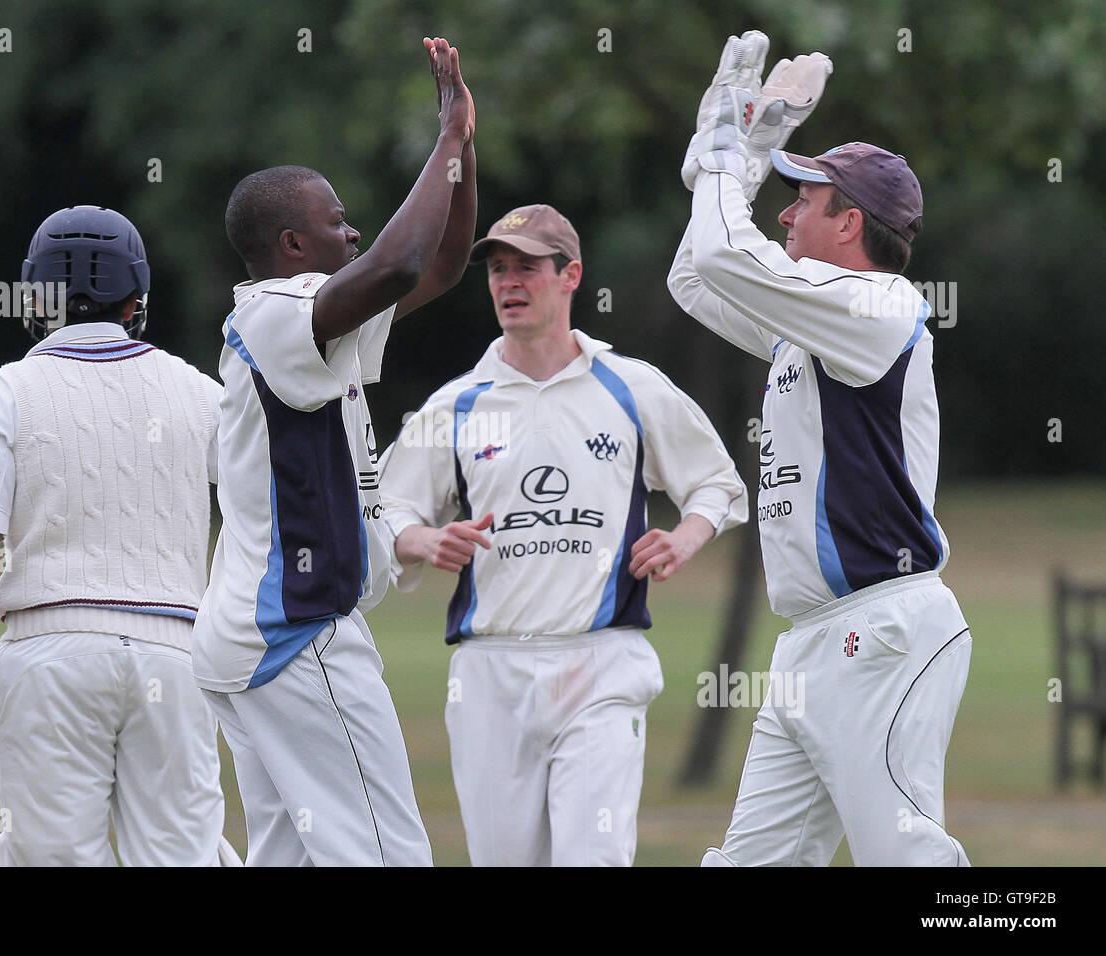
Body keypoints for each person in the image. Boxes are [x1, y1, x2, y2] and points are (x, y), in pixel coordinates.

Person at [672, 31, 972, 866]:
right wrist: (741, 154)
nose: (785, 210)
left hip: (880, 632)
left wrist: (732, 159)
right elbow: (695, 277)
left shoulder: (875, 306)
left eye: (804, 197)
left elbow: (728, 255)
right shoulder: (812, 323)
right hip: (813, 641)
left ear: (851, 222)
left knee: (907, 855)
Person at [377, 203, 748, 866]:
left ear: (570, 274)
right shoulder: (456, 404)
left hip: (601, 663)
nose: (508, 283)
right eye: (497, 269)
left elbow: (717, 485)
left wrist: (684, 538)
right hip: (490, 675)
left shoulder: (630, 387)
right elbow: (385, 509)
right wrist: (422, 541)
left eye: (527, 268)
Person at [190, 36, 476, 866]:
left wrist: (465, 147)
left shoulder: (314, 318)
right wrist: (444, 143)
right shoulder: (279, 314)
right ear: (289, 245)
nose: (351, 231)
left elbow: (443, 262)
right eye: (334, 220)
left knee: (296, 854)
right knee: (386, 854)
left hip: (257, 634)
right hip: (296, 629)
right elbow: (397, 262)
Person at [0, 204, 237, 866]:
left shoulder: (4, 394)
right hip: (176, 657)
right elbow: (268, 514)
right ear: (137, 298)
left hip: (47, 658)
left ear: (33, 297)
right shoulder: (201, 394)